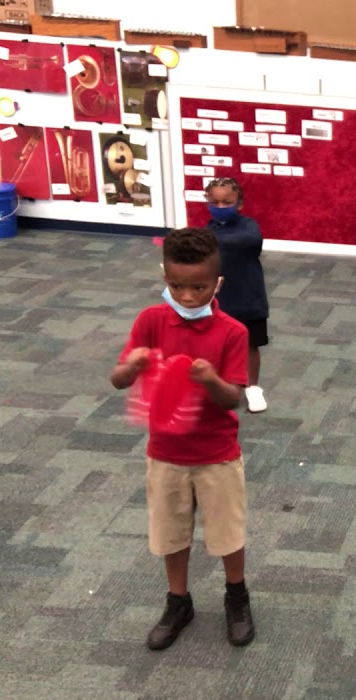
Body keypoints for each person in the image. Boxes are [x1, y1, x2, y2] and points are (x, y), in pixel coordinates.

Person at [110, 227, 255, 651]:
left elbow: (234, 399)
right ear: (164, 278)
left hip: (217, 455)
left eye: (199, 287)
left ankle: (237, 597)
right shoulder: (151, 321)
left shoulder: (232, 332)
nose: (188, 296)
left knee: (228, 533)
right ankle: (179, 601)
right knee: (170, 533)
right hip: (165, 454)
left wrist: (210, 380)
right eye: (177, 286)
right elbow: (117, 379)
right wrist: (132, 366)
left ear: (218, 284)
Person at [204, 177, 270, 414]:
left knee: (251, 344)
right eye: (215, 202)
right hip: (219, 300)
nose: (221, 207)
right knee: (217, 344)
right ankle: (221, 385)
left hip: (249, 296)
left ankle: (253, 388)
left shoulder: (249, 225)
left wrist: (217, 241)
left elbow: (252, 241)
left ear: (239, 204)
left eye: (227, 202)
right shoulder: (208, 231)